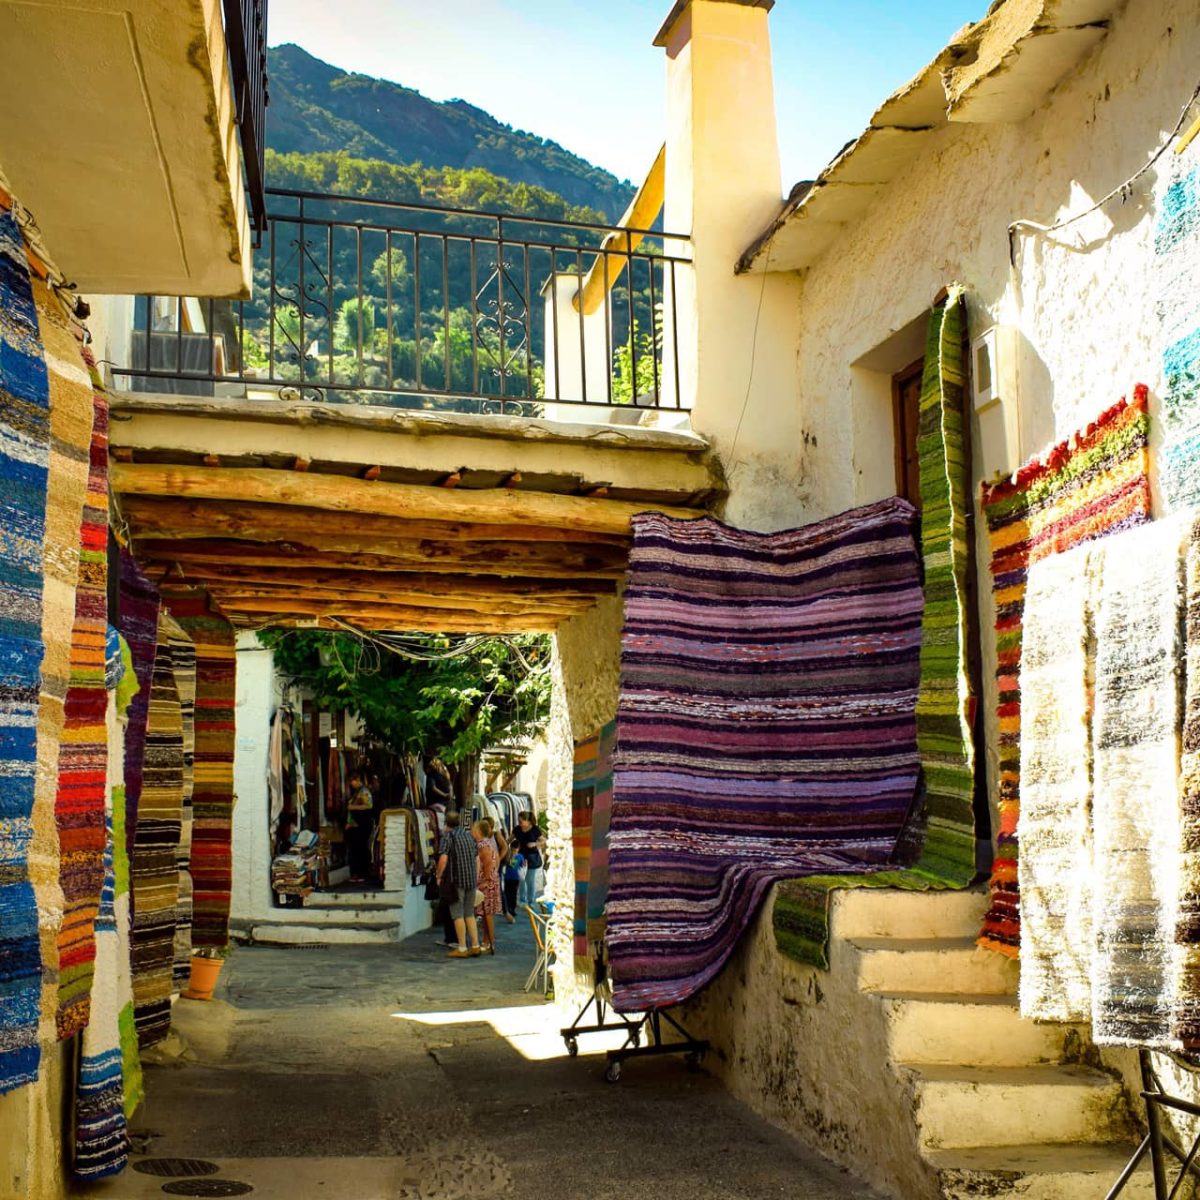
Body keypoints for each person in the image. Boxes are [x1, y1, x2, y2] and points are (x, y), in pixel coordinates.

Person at [436, 811, 481, 958]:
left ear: (446, 823)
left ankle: (462, 947)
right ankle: (475, 945)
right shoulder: (469, 836)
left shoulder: (449, 837)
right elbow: (477, 859)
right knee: (469, 913)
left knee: (457, 914)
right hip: (471, 880)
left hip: (456, 881)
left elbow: (443, 859)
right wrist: (475, 876)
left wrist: (438, 875)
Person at [472, 818, 505, 954]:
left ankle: (491, 943)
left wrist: (484, 881)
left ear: (479, 831)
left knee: (487, 914)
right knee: (486, 915)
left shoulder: (482, 846)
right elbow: (496, 861)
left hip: (487, 884)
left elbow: (488, 865)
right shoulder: (488, 844)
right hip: (491, 882)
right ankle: (487, 941)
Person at [345, 772, 374, 883]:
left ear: (357, 780)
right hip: (355, 826)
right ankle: (357, 873)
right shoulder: (357, 792)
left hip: (361, 827)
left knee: (360, 850)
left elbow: (368, 806)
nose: (351, 784)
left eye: (351, 781)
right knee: (355, 850)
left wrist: (353, 807)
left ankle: (362, 873)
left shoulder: (364, 792)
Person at [513, 811, 544, 908]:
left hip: (532, 857)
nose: (519, 823)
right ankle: (522, 900)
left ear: (528, 821)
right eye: (519, 821)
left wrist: (535, 844)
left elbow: (543, 841)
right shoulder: (517, 829)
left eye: (521, 821)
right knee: (519, 878)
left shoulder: (535, 829)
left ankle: (531, 901)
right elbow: (509, 840)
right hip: (518, 857)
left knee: (530, 880)